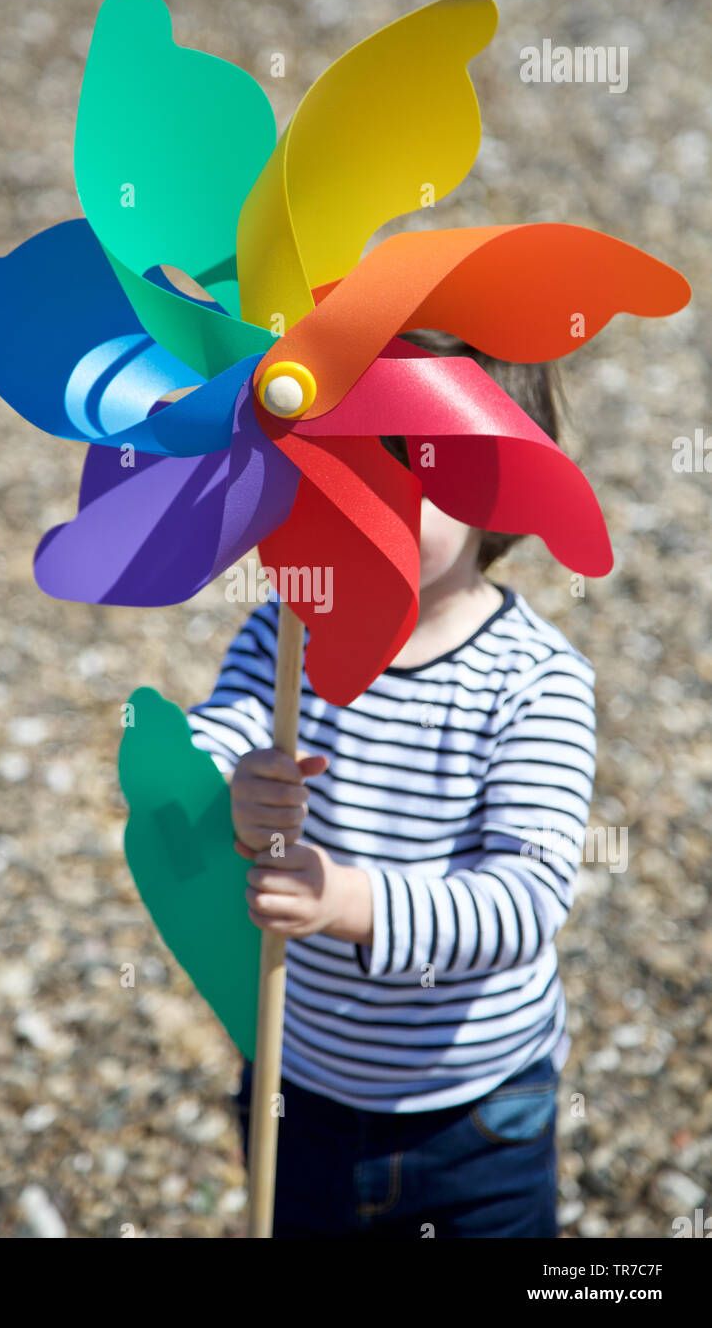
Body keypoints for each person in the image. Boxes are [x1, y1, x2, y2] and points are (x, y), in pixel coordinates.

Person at [187, 330, 595, 1238]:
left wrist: (346, 900)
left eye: (410, 460)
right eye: (346, 454)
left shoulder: (534, 683)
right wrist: (231, 791)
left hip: (477, 1113)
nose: (366, 487)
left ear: (502, 483)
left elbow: (525, 901)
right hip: (300, 1078)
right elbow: (207, 750)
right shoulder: (287, 632)